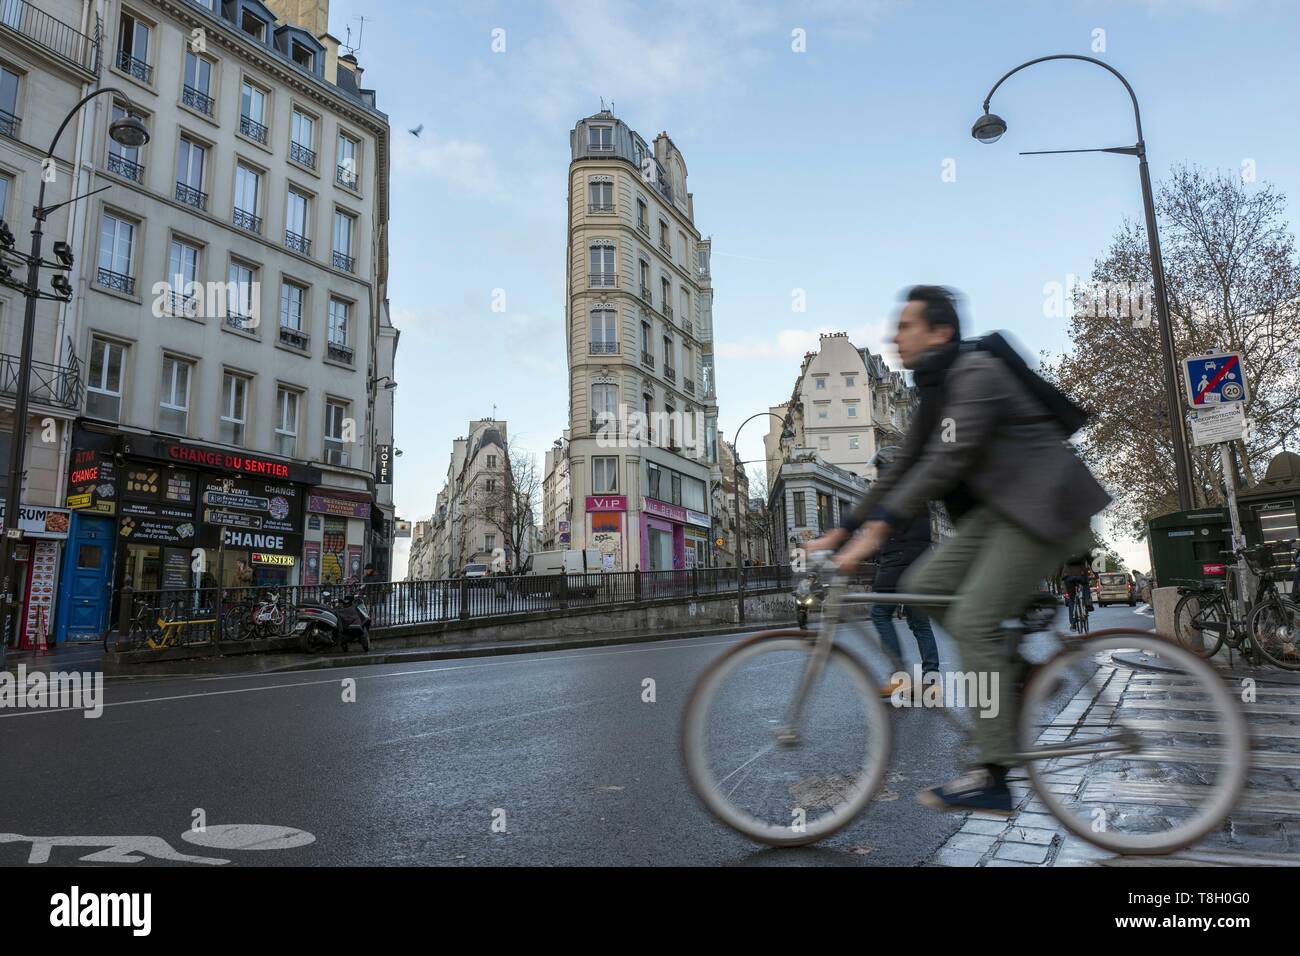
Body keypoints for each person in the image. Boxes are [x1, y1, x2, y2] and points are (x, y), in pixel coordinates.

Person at [805, 285, 1109, 814]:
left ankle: (994, 772)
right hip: (1002, 513)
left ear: (941, 332)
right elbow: (901, 468)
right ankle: (1014, 673)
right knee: (922, 586)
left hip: (1045, 508)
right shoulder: (935, 393)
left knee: (971, 620)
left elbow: (943, 462)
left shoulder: (974, 374)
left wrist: (875, 532)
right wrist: (839, 532)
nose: (895, 337)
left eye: (906, 326)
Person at [867, 445, 941, 697]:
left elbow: (882, 530)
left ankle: (899, 676)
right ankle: (932, 680)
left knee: (879, 613)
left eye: (880, 470)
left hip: (898, 563)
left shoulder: (896, 492)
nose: (878, 476)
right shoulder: (915, 490)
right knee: (920, 624)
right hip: (918, 563)